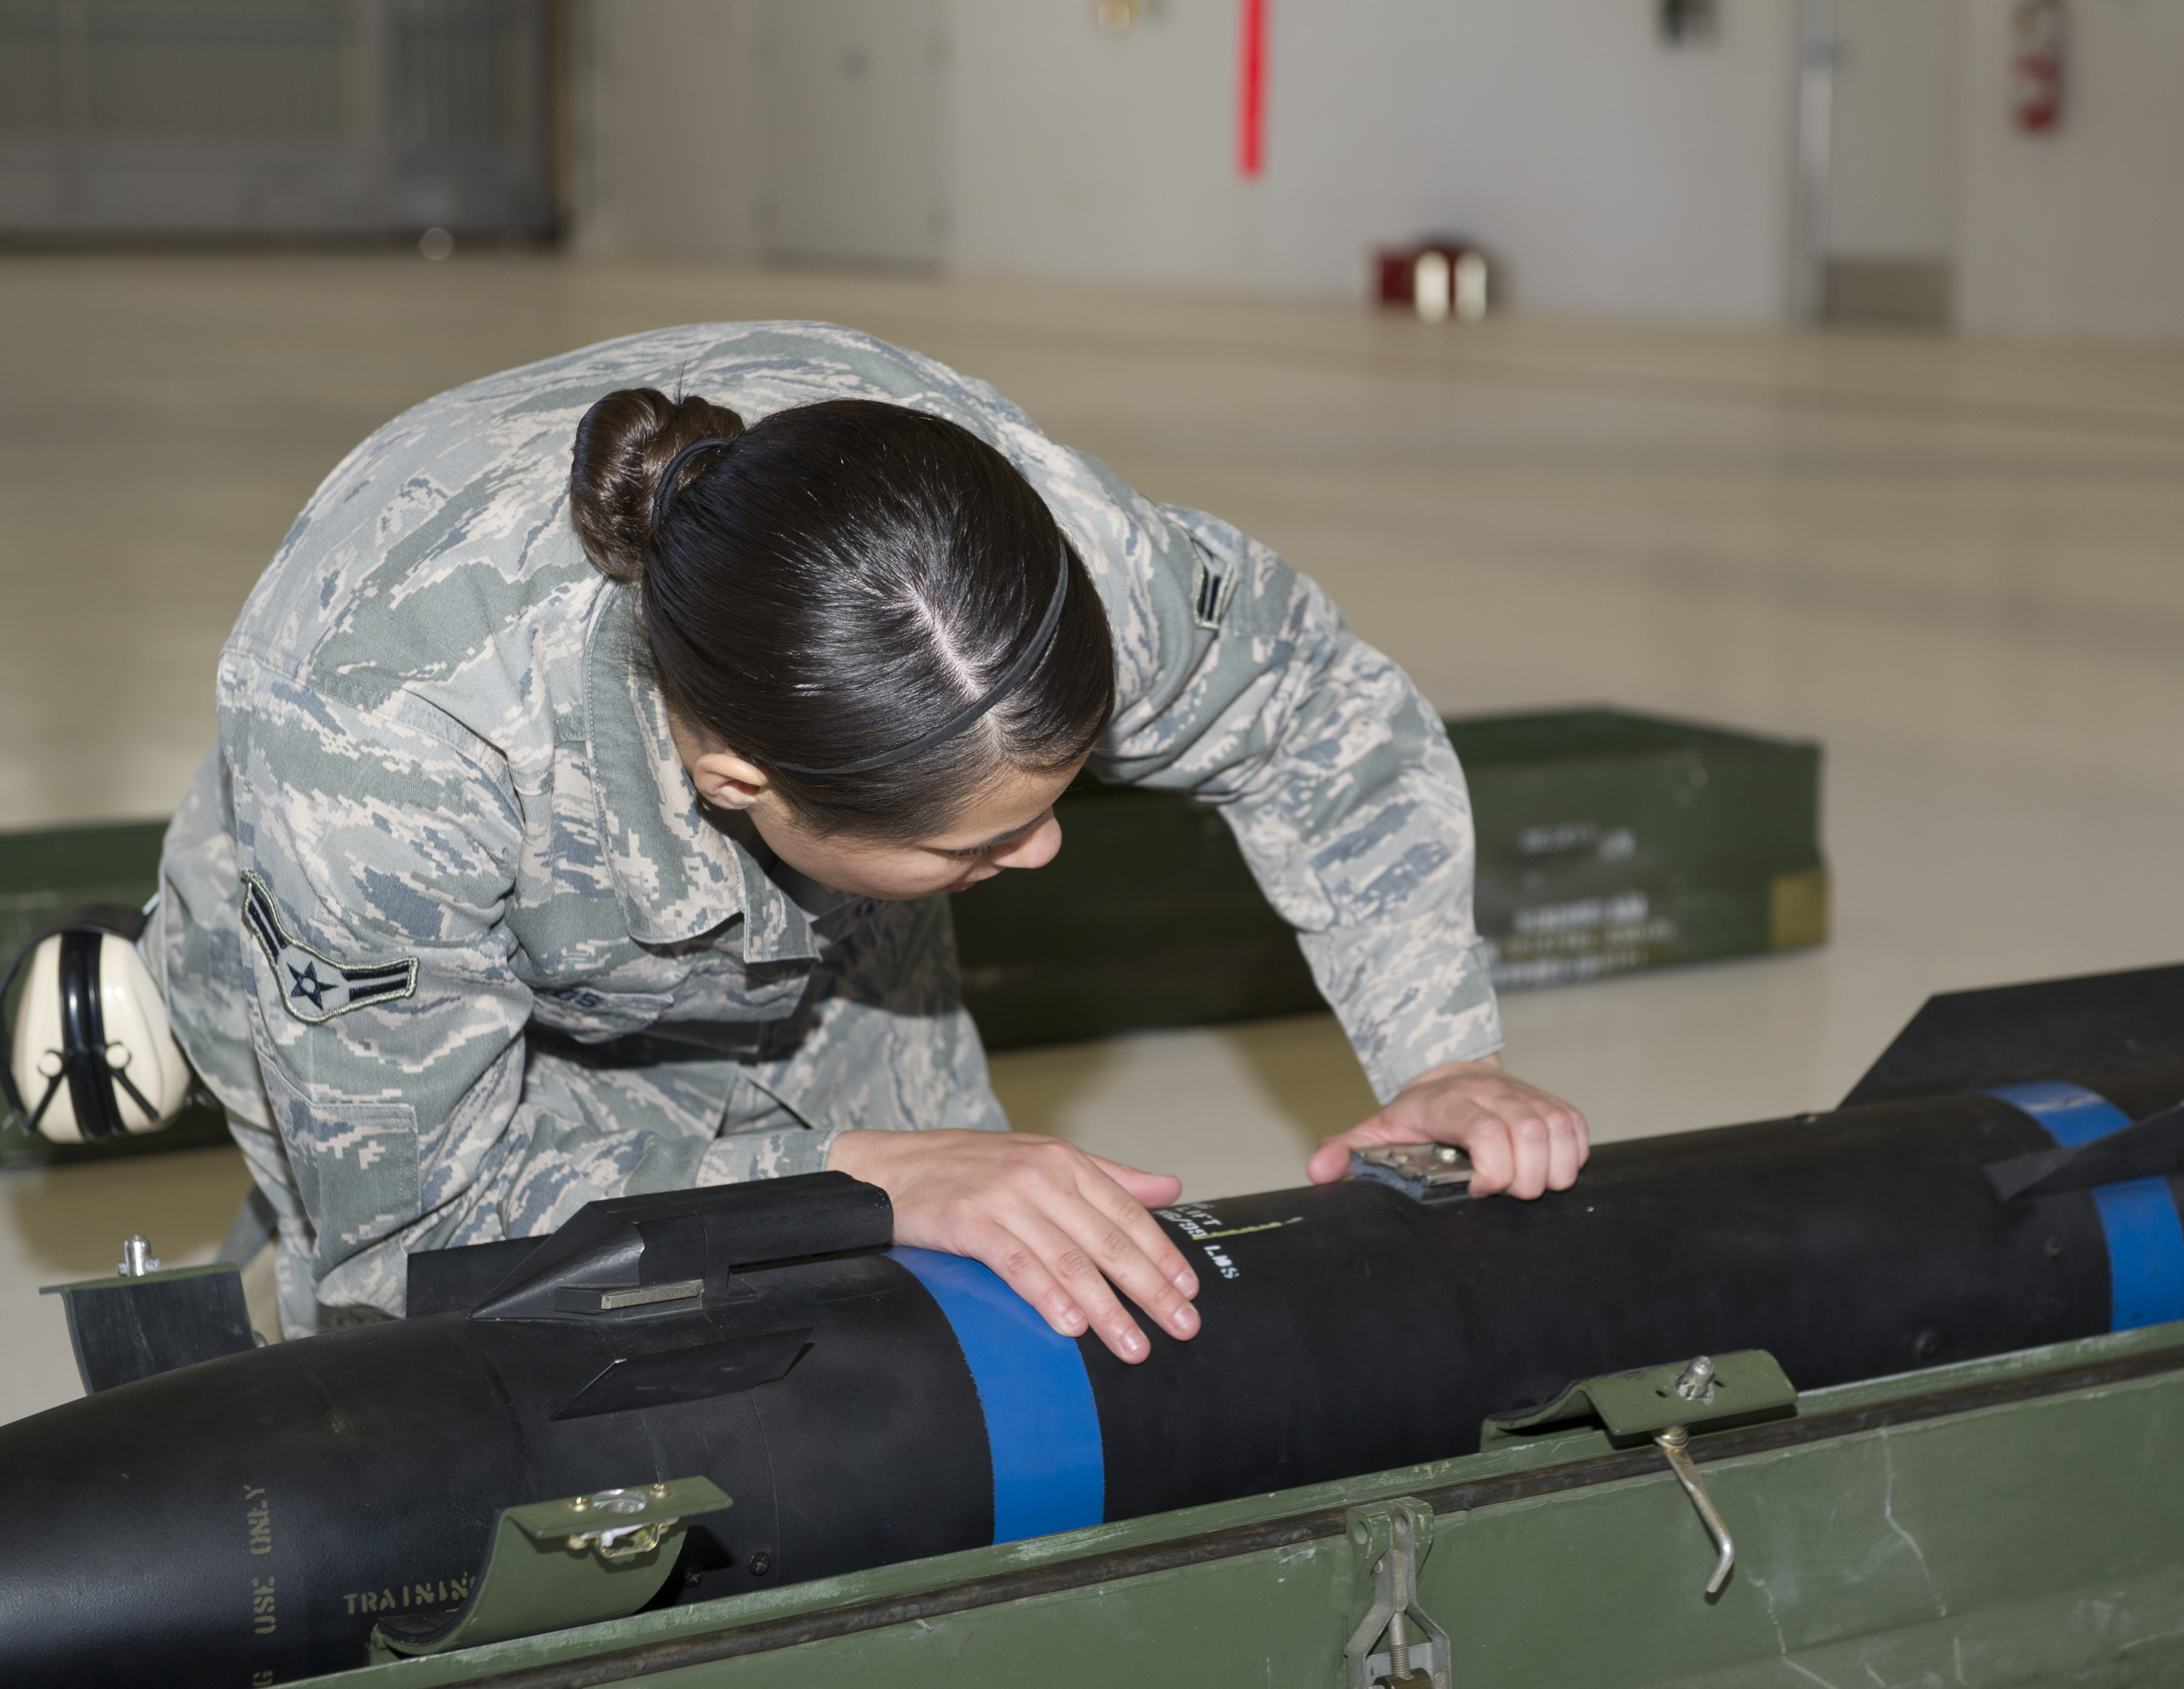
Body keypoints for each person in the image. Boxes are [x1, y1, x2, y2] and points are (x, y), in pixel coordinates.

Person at [143, 321, 1586, 1357]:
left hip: (827, 944)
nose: (1042, 861)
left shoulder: (1022, 562)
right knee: (452, 1365)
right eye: (981, 849)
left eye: (1050, 805)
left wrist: (1441, 1054)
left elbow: (1308, 706)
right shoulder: (385, 756)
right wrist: (857, 1179)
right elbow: (426, 1235)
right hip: (416, 977)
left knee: (938, 1321)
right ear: (737, 779)